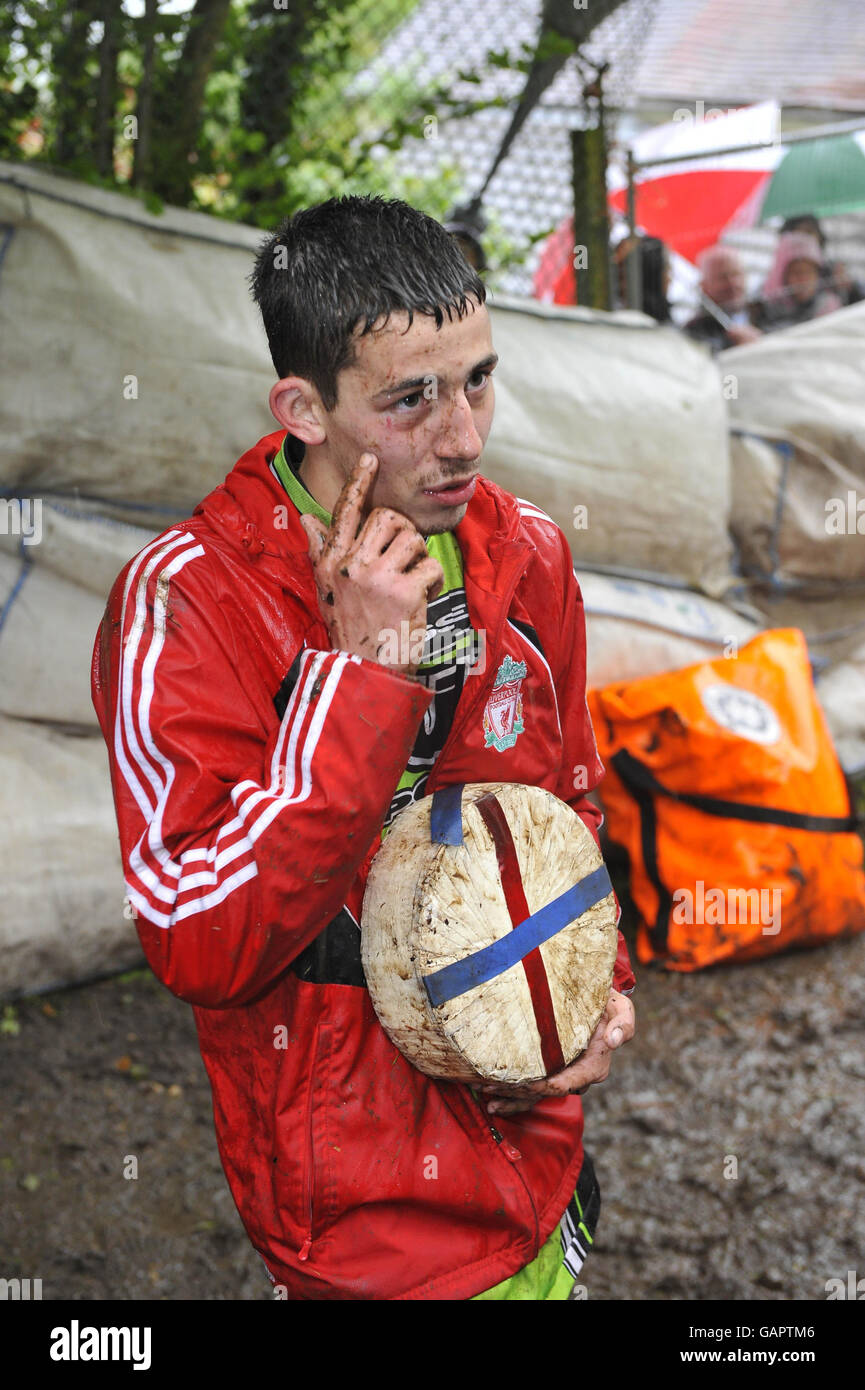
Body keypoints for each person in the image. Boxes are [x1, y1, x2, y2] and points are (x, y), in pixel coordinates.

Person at [91, 194, 636, 1302]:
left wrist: (593, 991)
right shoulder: (190, 602)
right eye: (411, 400)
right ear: (302, 407)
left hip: (535, 1148)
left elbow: (569, 805)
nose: (466, 435)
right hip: (362, 1218)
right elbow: (202, 939)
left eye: (478, 377)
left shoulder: (525, 550)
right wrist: (360, 683)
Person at [752, 230, 843, 332]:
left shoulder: (827, 306)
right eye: (797, 273)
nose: (803, 279)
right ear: (783, 276)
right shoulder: (768, 311)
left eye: (809, 272)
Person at [683, 244, 762, 353]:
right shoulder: (695, 329)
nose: (732, 283)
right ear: (704, 286)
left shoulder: (765, 309)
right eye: (722, 278)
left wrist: (761, 339)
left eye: (736, 274)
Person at [780, 214, 864, 308]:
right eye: (798, 234)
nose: (805, 240)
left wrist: (849, 289)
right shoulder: (778, 278)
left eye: (808, 233)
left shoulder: (832, 272)